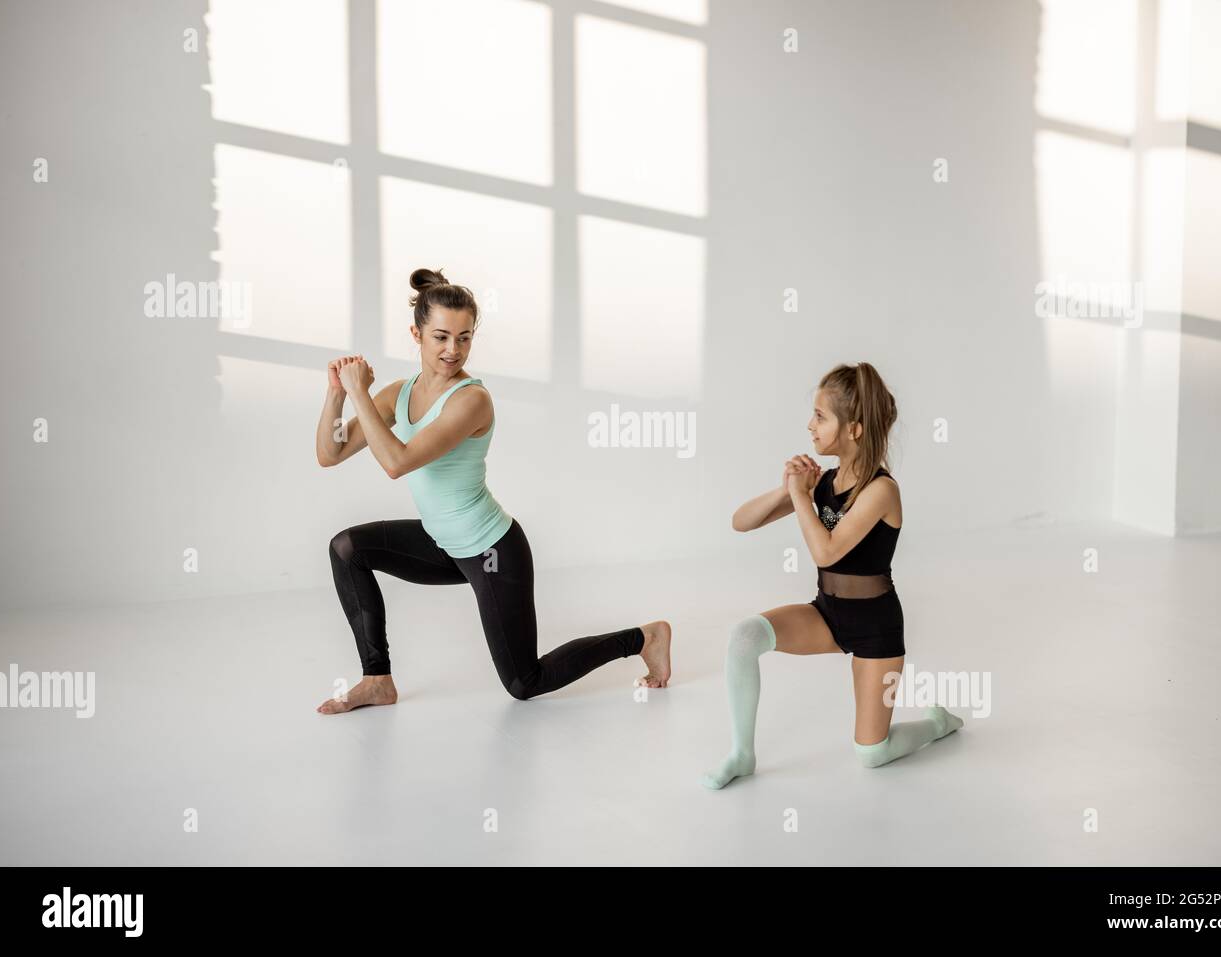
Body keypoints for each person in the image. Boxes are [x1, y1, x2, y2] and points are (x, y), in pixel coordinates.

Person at [315, 268, 671, 713]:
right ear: (417, 334)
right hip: (440, 542)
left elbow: (397, 463)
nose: (452, 350)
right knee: (347, 548)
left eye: (464, 338)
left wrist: (359, 393)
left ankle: (645, 637)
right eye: (441, 337)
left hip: (491, 552)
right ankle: (377, 679)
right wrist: (337, 394)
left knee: (524, 682)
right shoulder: (398, 394)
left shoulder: (471, 400)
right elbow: (330, 453)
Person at [702, 362, 962, 788]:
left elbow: (826, 552)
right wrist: (789, 486)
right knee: (745, 636)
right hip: (826, 615)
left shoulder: (882, 490)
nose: (810, 425)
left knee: (873, 754)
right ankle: (741, 755)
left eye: (821, 416)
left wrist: (802, 498)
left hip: (877, 629)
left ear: (855, 428)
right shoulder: (823, 483)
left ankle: (937, 725)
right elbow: (740, 522)